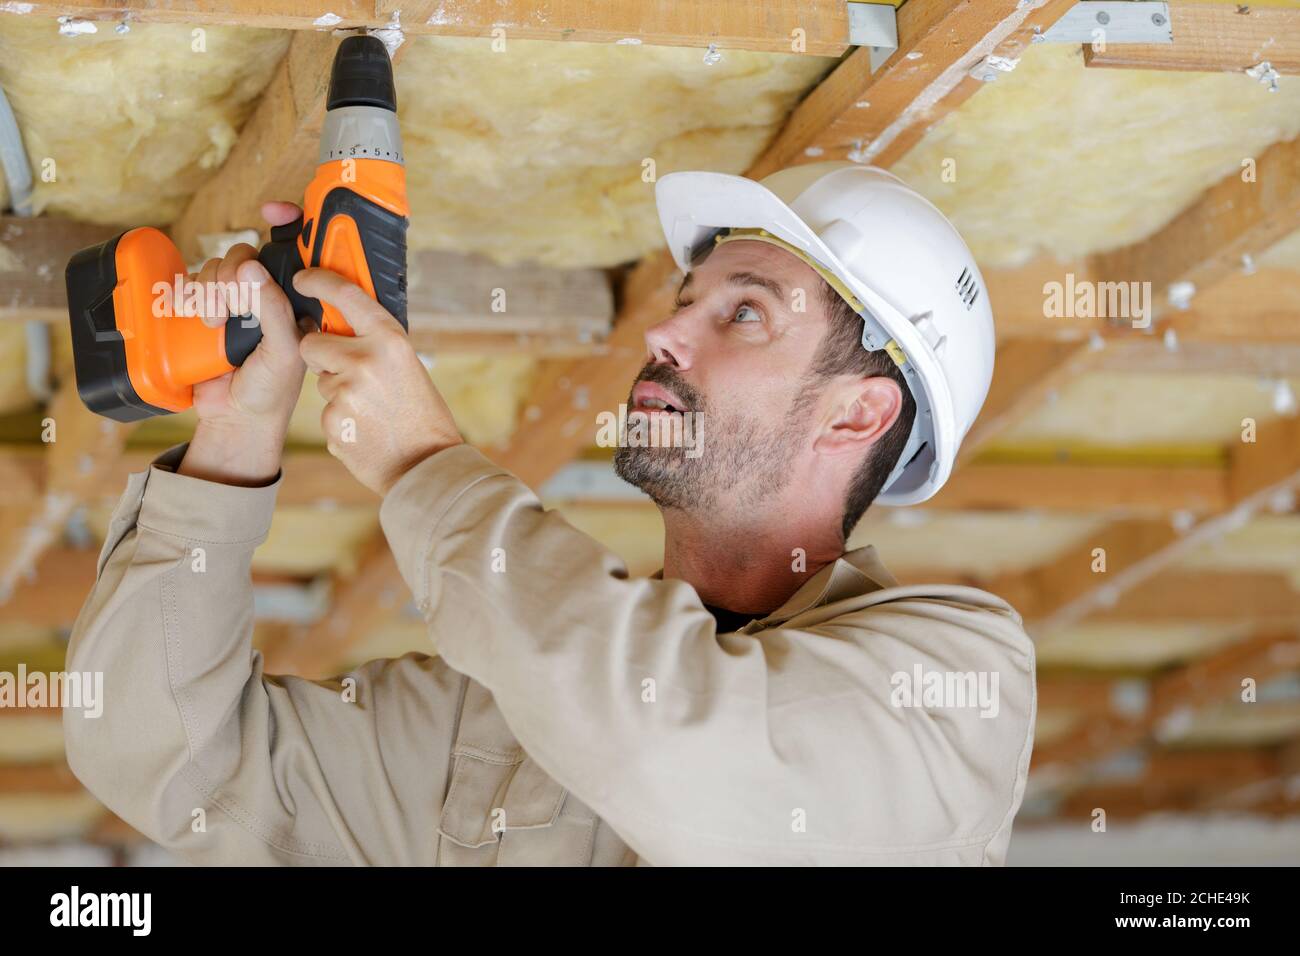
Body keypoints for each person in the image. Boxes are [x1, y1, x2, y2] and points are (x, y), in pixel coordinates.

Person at [64, 162, 1035, 865]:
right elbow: (172, 759)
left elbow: (678, 752)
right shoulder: (486, 723)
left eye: (741, 312)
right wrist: (232, 440)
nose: (661, 330)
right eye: (684, 299)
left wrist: (422, 463)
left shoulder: (956, 687)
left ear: (859, 409)